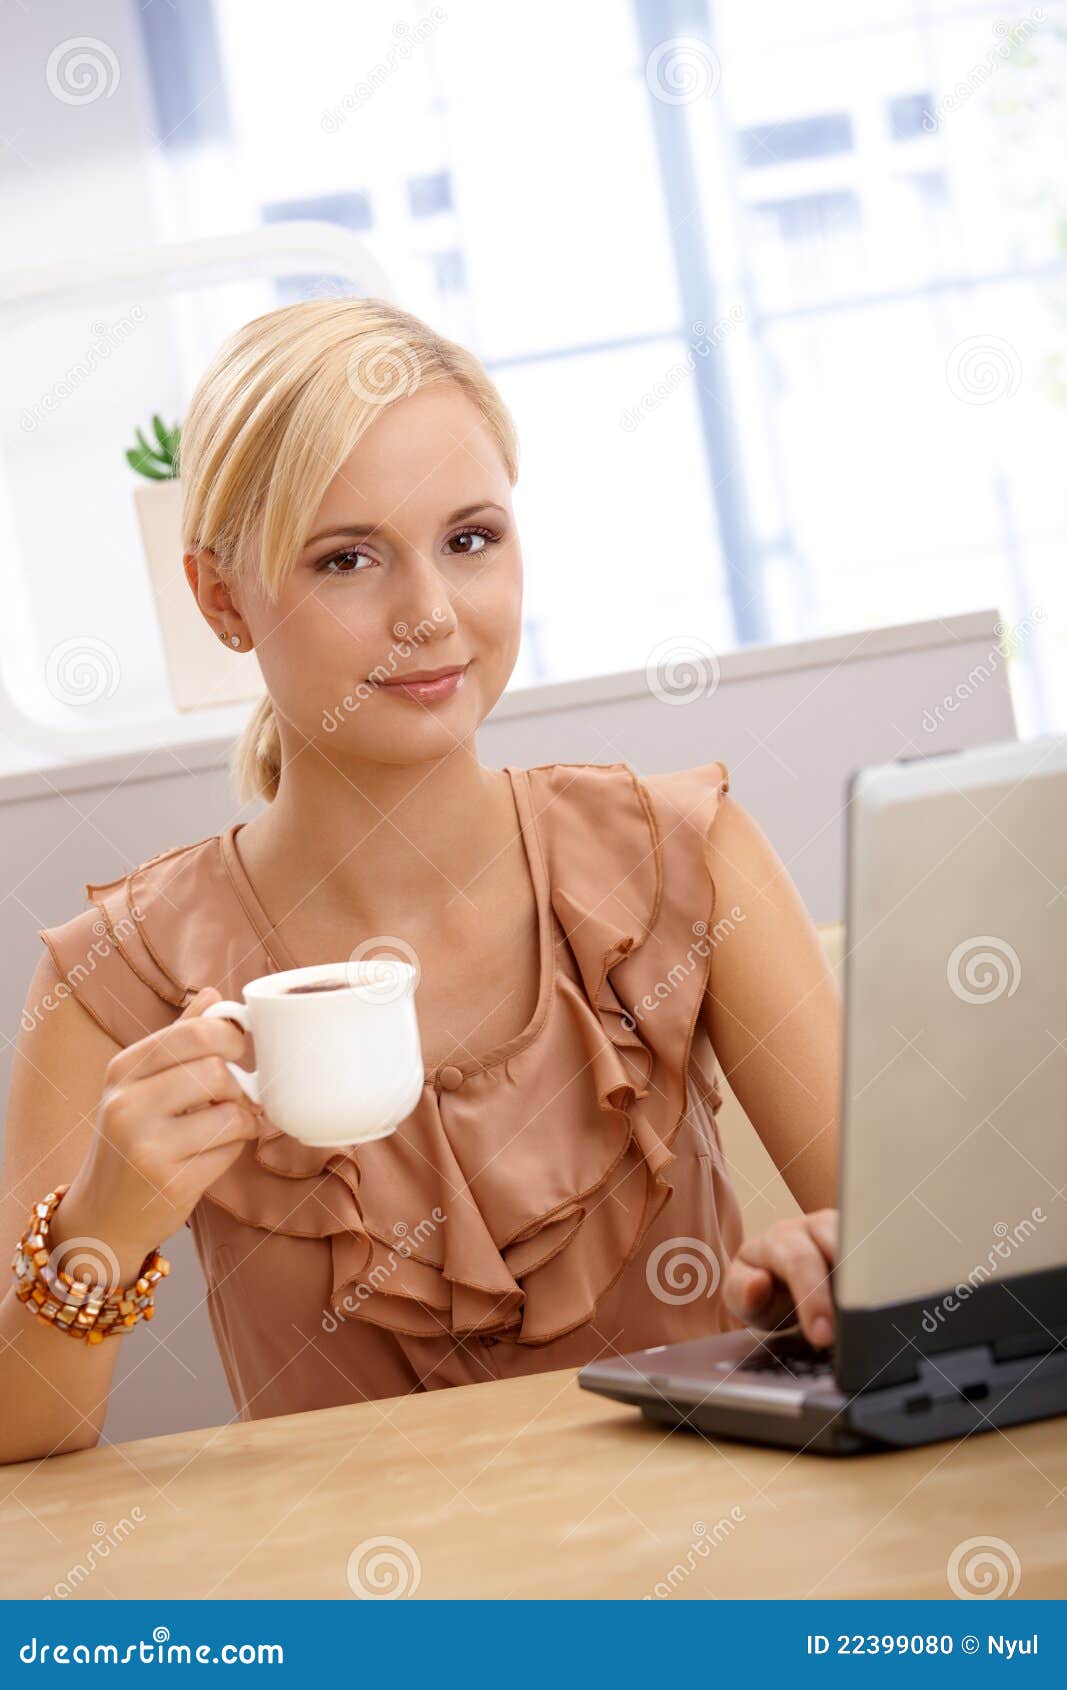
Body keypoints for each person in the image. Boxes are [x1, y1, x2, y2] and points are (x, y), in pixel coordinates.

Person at [0, 299, 840, 1465]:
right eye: (348, 558)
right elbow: (19, 1449)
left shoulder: (688, 855)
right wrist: (102, 1226)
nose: (429, 615)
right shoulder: (109, 982)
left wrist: (821, 1286)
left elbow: (938, 1278)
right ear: (220, 599)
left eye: (470, 538)